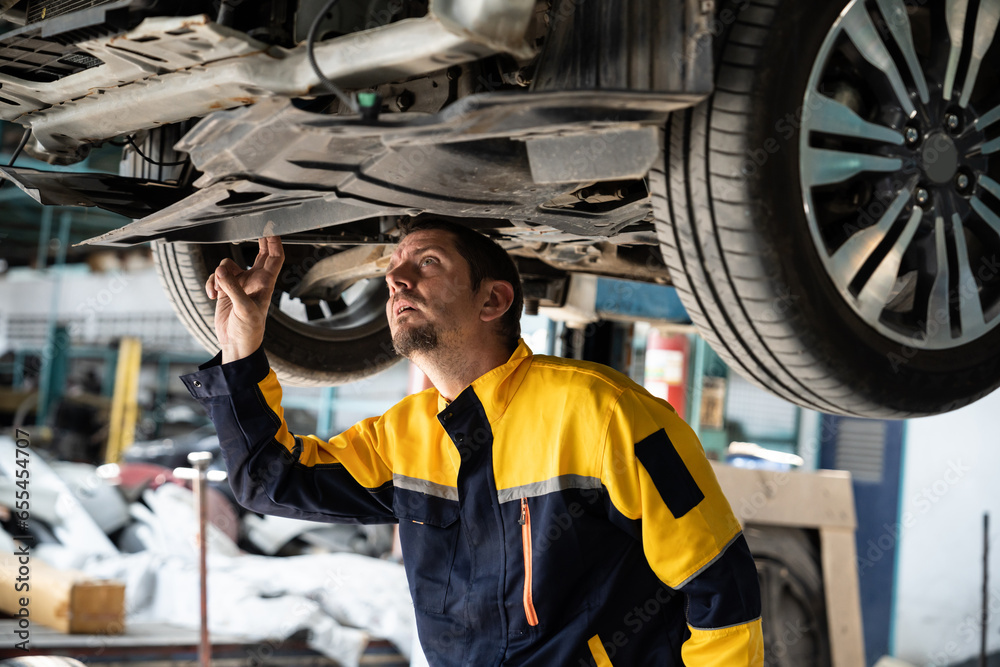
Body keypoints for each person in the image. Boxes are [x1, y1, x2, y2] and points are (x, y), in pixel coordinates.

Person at [181, 219, 764, 666]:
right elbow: (270, 479)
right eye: (394, 266)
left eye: (427, 262)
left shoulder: (600, 411)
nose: (395, 278)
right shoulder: (406, 434)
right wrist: (241, 345)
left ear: (493, 301)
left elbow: (720, 582)